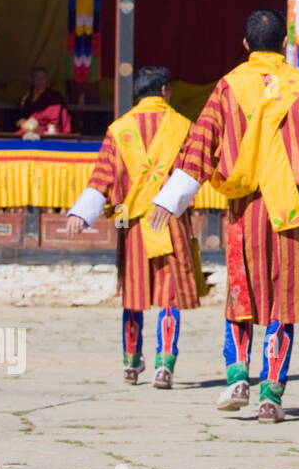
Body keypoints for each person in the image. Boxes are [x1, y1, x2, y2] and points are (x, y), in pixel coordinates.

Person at [149, 10, 299, 422]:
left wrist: (171, 197)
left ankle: (238, 377)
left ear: (245, 45)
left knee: (240, 296)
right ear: (285, 43)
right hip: (290, 211)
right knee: (283, 302)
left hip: (245, 209)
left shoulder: (228, 87)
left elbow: (200, 143)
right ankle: (272, 397)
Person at [65, 66, 203, 386]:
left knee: (134, 293)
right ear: (165, 90)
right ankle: (164, 364)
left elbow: (102, 178)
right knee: (169, 296)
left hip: (131, 220)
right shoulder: (183, 127)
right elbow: (195, 173)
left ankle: (130, 363)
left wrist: (80, 214)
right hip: (168, 219)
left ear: (136, 94)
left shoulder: (119, 129)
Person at [18, 66, 71, 134]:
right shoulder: (27, 97)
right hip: (30, 129)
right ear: (31, 80)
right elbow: (22, 117)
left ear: (47, 80)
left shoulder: (55, 96)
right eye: (37, 77)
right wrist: (23, 123)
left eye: (43, 78)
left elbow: (54, 120)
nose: (40, 80)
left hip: (47, 130)